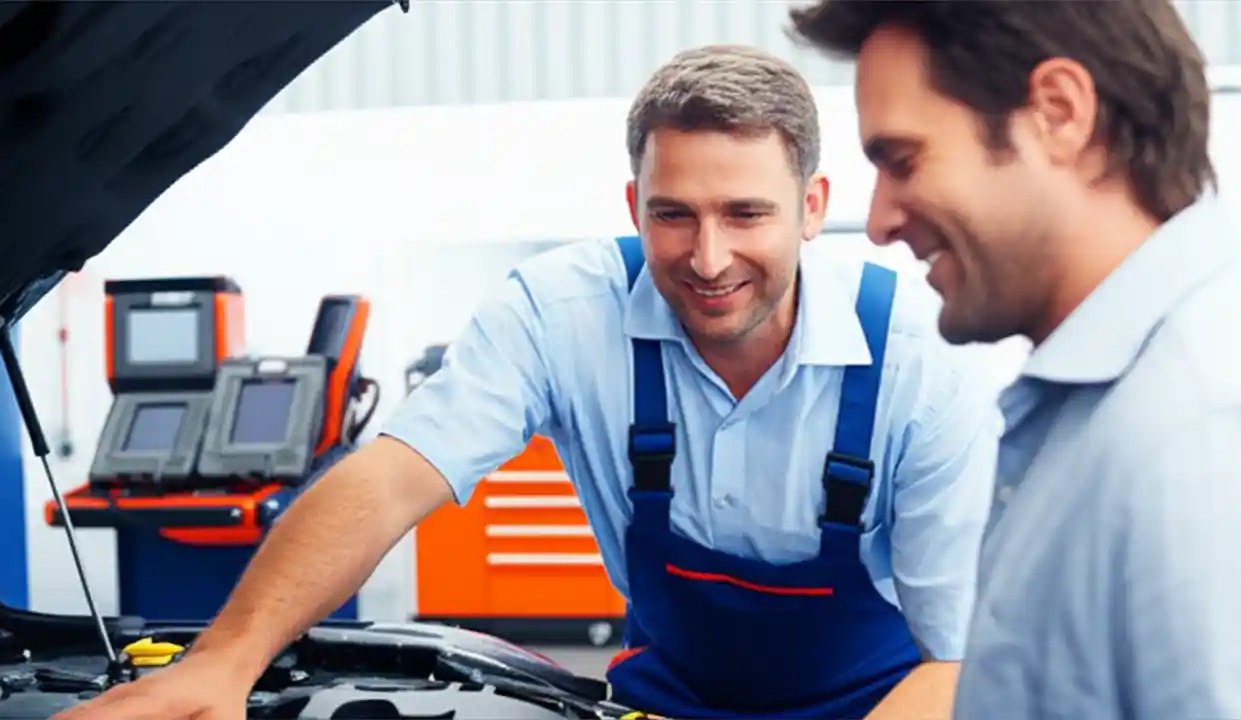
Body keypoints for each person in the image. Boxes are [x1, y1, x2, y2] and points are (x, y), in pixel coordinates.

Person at [54, 44, 1003, 720]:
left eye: (745, 213)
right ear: (634, 205)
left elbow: (956, 661)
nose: (709, 258)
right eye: (673, 215)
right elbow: (390, 477)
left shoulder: (918, 363)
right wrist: (225, 662)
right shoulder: (562, 311)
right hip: (658, 703)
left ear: (812, 208)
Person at [787, 1, 1241, 718]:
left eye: (903, 160)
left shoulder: (1198, 436)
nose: (882, 220)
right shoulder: (1109, 415)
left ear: (1058, 112)